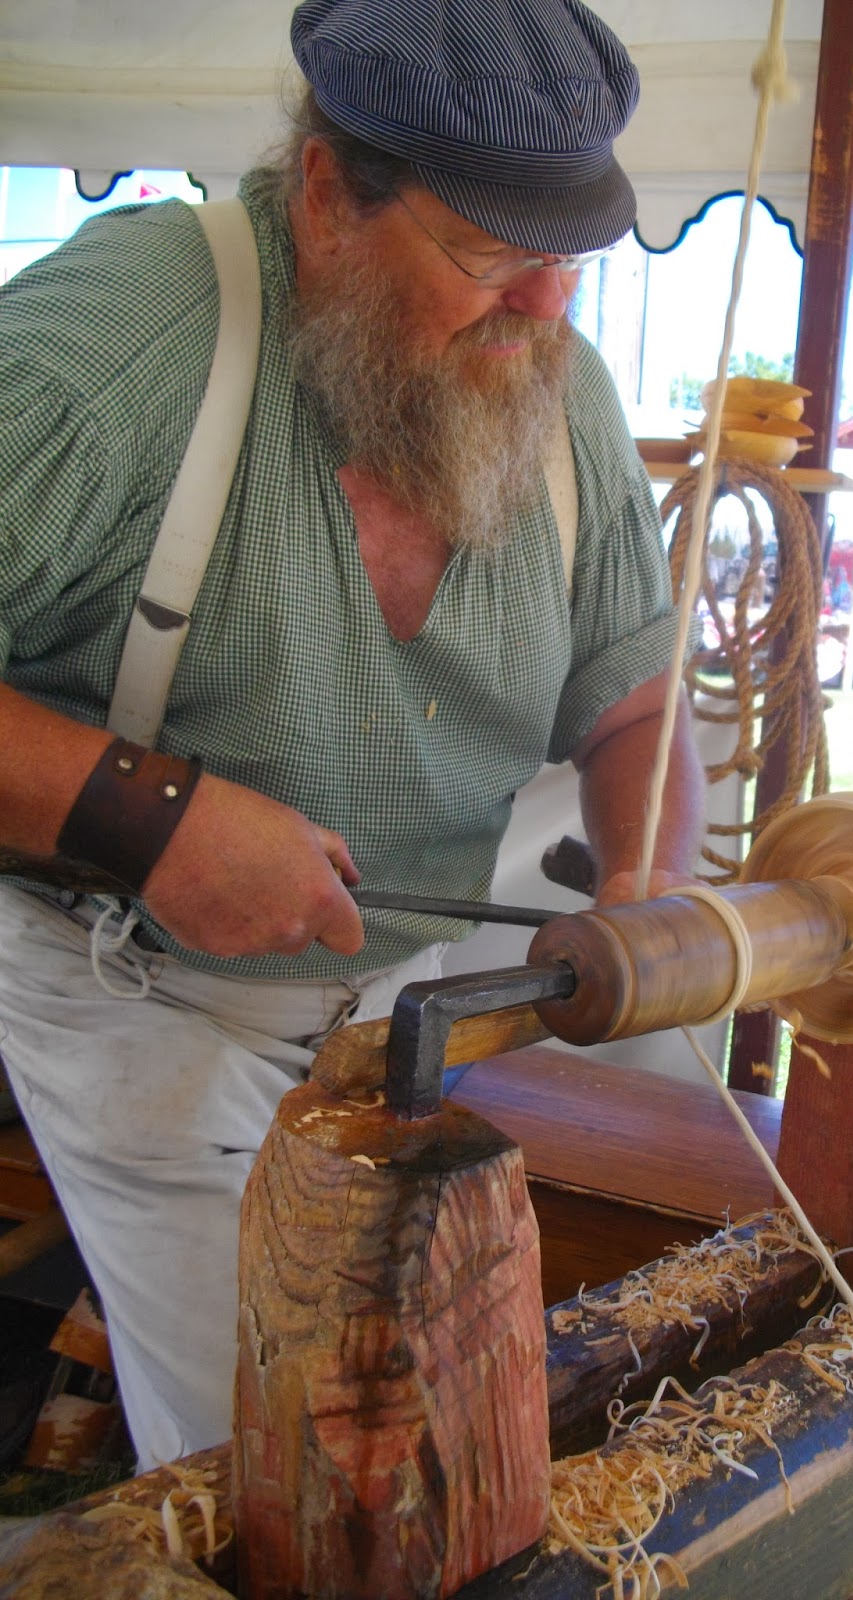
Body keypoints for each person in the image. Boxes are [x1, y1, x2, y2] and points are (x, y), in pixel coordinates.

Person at [0, 0, 705, 1470]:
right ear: (325, 192)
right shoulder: (120, 350)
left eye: (572, 257)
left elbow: (634, 704)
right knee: (314, 1461)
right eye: (489, 254)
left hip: (424, 988)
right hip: (132, 982)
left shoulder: (554, 386)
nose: (548, 309)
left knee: (644, 1328)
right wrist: (151, 819)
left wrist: (644, 880)